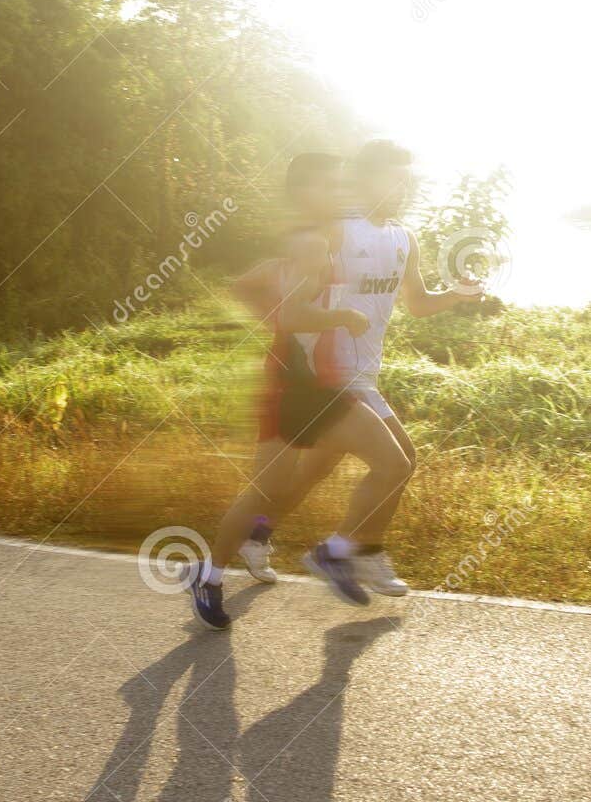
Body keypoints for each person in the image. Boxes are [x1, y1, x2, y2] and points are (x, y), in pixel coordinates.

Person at [188, 141, 479, 629]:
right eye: (391, 177)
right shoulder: (331, 234)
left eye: (406, 178)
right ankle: (341, 550)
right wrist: (291, 334)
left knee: (323, 474)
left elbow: (418, 302)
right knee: (381, 465)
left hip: (347, 380)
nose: (401, 187)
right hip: (319, 378)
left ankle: (297, 544)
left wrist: (459, 293)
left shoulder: (403, 238)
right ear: (365, 180)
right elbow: (261, 286)